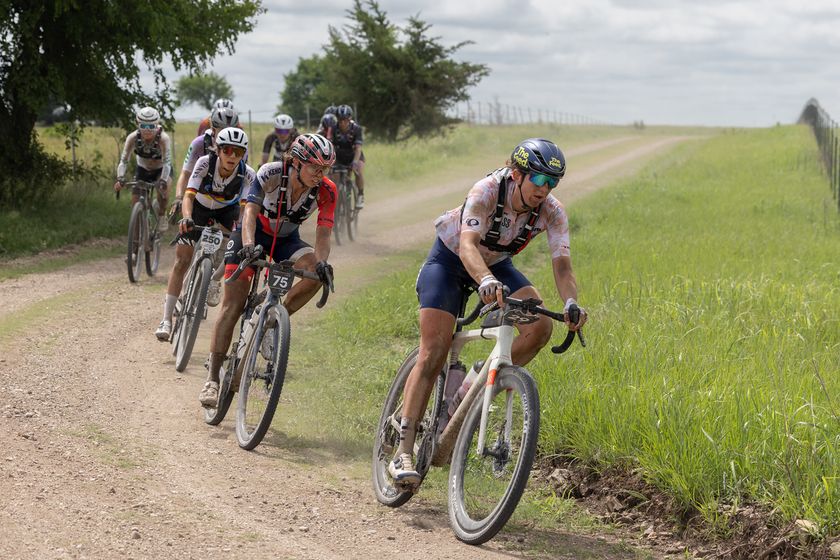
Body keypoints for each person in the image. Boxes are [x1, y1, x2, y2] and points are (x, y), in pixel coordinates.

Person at [387, 138, 588, 486]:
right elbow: (467, 246)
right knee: (434, 350)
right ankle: (403, 449)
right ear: (517, 174)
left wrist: (571, 302)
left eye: (553, 182)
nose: (545, 189)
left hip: (496, 265)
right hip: (450, 261)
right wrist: (485, 280)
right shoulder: (487, 190)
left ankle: (475, 385)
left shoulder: (552, 211)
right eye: (539, 179)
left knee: (540, 326)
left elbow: (563, 266)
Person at [198, 133, 338, 407]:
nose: (320, 174)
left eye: (325, 168)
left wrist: (322, 262)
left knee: (315, 273)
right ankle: (212, 379)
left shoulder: (327, 190)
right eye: (314, 167)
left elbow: (323, 233)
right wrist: (249, 246)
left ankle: (272, 320)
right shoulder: (271, 173)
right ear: (296, 162)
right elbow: (250, 213)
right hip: (252, 235)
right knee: (233, 305)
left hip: (287, 239)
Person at [154, 128, 255, 342]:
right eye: (227, 150)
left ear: (243, 154)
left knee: (234, 248)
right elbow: (188, 197)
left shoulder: (248, 174)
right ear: (218, 150)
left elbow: (245, 211)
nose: (232, 156)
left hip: (227, 210)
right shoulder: (204, 163)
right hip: (199, 208)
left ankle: (214, 279)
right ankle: (166, 320)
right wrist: (186, 218)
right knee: (182, 260)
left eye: (238, 152)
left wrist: (241, 233)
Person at [169, 106, 240, 221]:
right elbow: (186, 173)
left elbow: (242, 178)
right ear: (213, 129)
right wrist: (179, 197)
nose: (227, 135)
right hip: (200, 200)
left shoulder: (242, 148)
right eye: (222, 130)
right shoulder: (198, 143)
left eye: (231, 130)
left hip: (227, 204)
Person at [114, 106, 173, 232]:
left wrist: (163, 180)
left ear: (157, 125)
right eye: (143, 126)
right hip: (143, 169)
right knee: (135, 203)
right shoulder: (132, 137)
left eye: (151, 126)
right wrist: (120, 177)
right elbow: (124, 160)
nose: (147, 130)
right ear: (138, 124)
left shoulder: (163, 139)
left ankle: (161, 215)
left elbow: (167, 163)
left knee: (164, 193)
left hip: (161, 169)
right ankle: (136, 240)